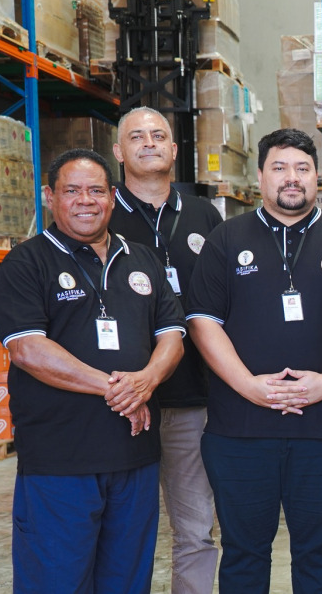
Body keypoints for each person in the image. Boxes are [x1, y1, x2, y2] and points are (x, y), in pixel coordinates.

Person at [0, 149, 185, 594]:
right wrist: (119, 389)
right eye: (71, 190)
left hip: (134, 458)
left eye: (96, 190)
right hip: (60, 462)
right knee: (57, 581)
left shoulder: (142, 260)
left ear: (112, 197)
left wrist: (147, 380)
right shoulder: (26, 263)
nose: (85, 200)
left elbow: (172, 337)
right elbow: (28, 350)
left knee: (127, 582)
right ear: (49, 197)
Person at [185, 128, 322, 593]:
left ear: (318, 177)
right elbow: (204, 322)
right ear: (260, 175)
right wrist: (250, 386)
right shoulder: (225, 239)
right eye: (280, 168)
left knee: (321, 549)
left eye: (302, 169)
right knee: (243, 551)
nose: (291, 178)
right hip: (241, 428)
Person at [108, 106, 223, 594]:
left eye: (159, 136)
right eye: (137, 136)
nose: (149, 143)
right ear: (120, 151)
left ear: (175, 150)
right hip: (118, 401)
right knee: (120, 531)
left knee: (197, 529)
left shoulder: (204, 215)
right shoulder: (100, 214)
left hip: (193, 399)